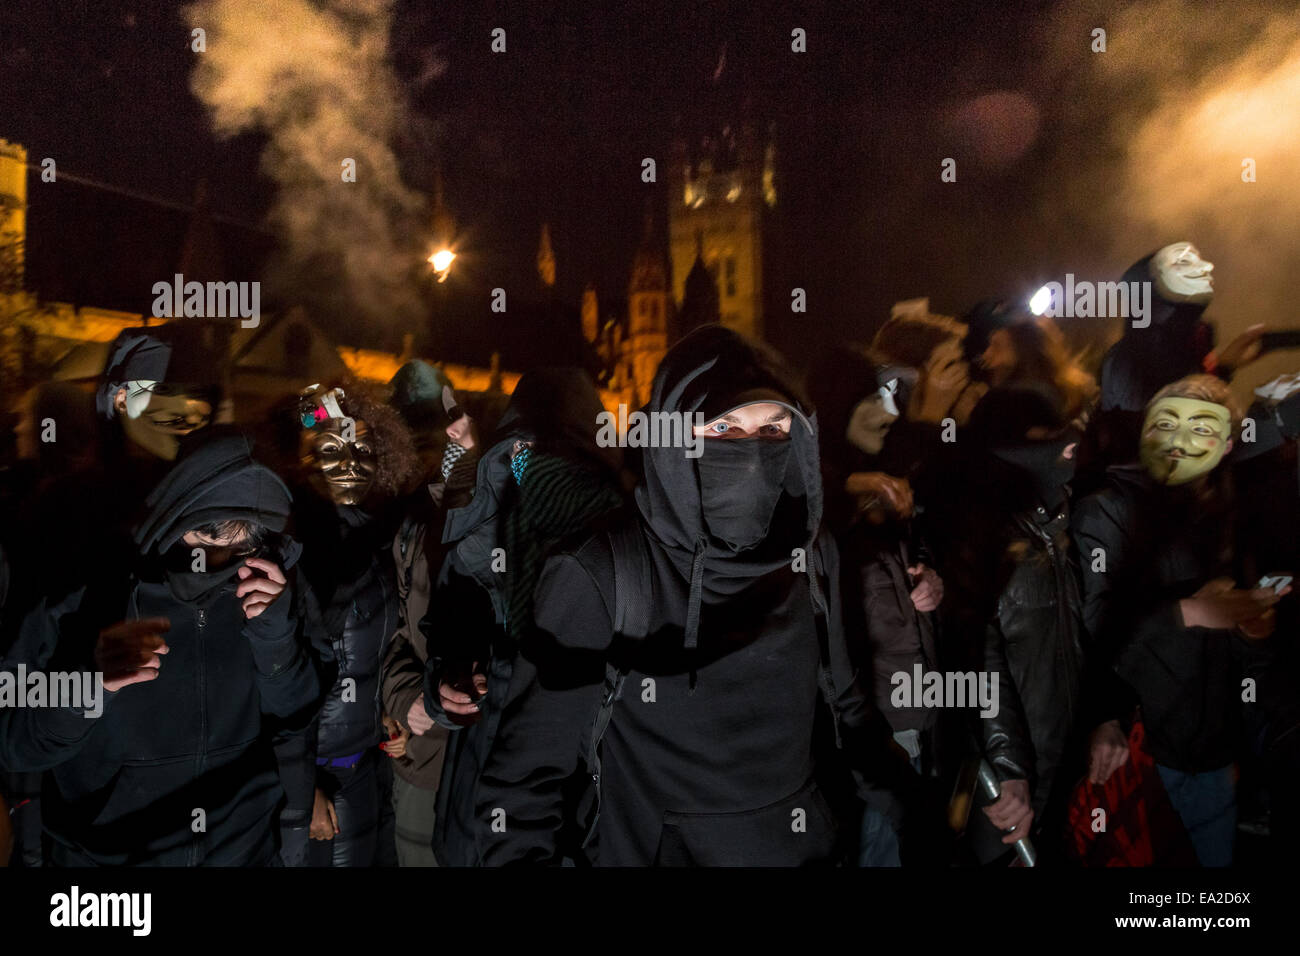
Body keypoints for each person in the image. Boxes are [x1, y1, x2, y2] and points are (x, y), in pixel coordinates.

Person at [476, 325, 911, 866]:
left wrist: (916, 815)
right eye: (725, 428)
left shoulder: (811, 554)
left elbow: (848, 709)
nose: (752, 453)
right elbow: (523, 783)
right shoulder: (601, 574)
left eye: (774, 430)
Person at [0, 430, 318, 865]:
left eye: (240, 550)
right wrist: (86, 689)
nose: (219, 567)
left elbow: (296, 717)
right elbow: (16, 743)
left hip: (243, 852)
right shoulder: (82, 593)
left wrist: (275, 637)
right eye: (205, 545)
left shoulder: (274, 589)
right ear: (174, 514)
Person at [1073, 375, 1296, 865]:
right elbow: (1092, 624)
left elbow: (1241, 639)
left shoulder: (1223, 513)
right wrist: (1190, 611)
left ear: (1227, 443)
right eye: (1166, 424)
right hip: (1142, 747)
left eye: (1201, 429)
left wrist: (1253, 633)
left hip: (1213, 755)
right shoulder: (1104, 510)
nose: (1179, 442)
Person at [421, 367, 626, 866]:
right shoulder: (480, 530)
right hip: (469, 810)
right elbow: (445, 624)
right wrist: (445, 681)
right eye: (519, 452)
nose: (529, 469)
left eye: (552, 457)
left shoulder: (623, 551)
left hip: (567, 818)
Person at [809, 346, 945, 866]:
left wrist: (932, 581)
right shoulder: (816, 498)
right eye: (871, 398)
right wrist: (844, 489)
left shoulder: (886, 486)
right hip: (861, 743)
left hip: (910, 723)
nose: (888, 412)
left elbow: (920, 559)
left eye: (889, 397)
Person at [943, 385, 1086, 864]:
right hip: (1011, 779)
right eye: (1051, 435)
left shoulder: (1057, 525)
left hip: (1063, 760)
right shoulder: (979, 531)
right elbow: (976, 655)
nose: (1071, 444)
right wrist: (1009, 765)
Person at [276, 384, 417, 867]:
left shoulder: (378, 541)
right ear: (298, 459)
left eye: (363, 449)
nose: (351, 463)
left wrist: (384, 712)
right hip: (314, 783)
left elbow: (371, 654)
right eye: (330, 450)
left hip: (367, 770)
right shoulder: (286, 550)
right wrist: (298, 788)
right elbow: (269, 681)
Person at [381, 361, 478, 866]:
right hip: (421, 763)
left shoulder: (496, 498)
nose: (424, 456)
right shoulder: (406, 520)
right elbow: (395, 633)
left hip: (484, 765)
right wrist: (404, 699)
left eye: (434, 439)